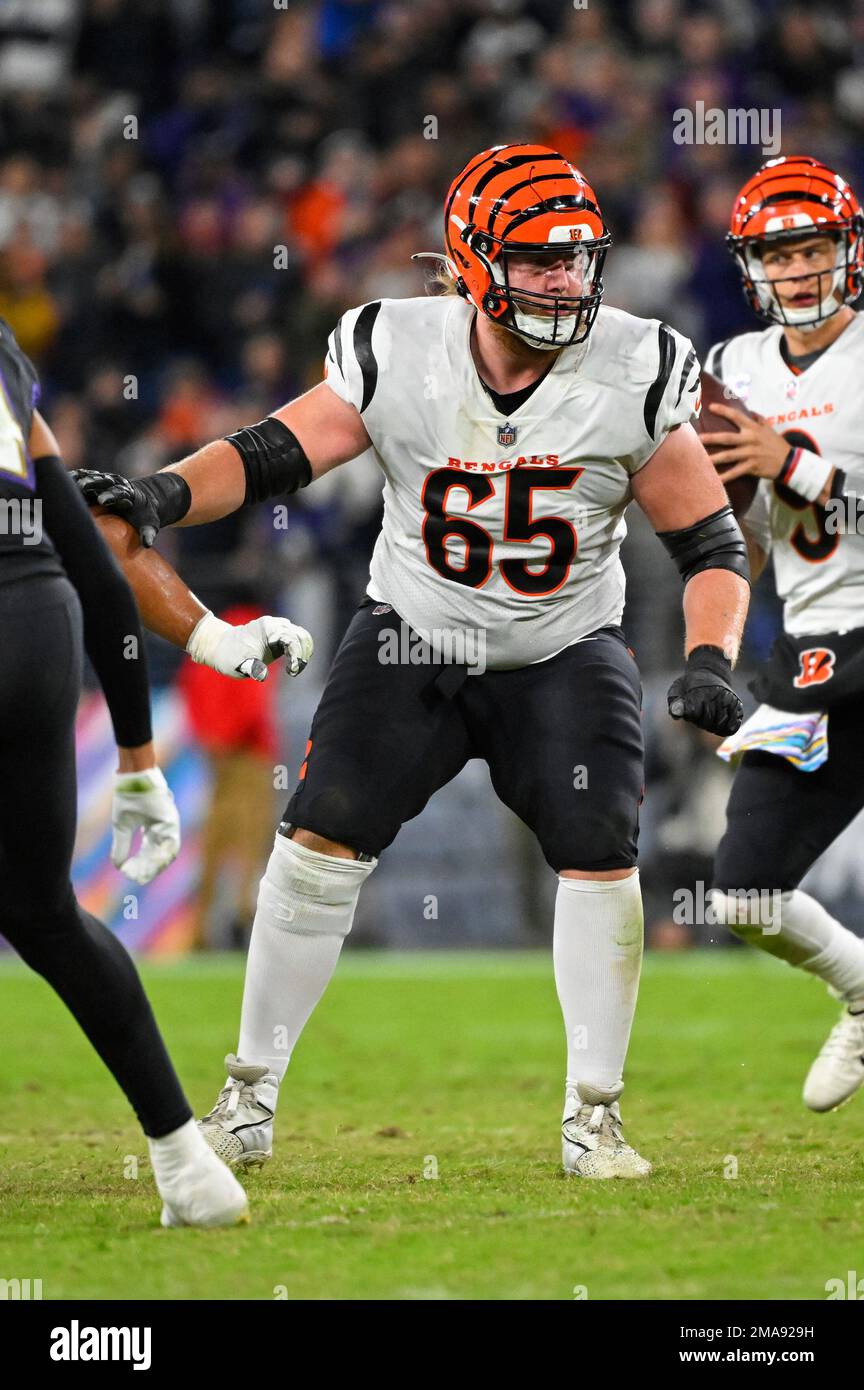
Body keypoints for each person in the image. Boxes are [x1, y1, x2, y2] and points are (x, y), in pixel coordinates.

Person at [75, 144, 750, 1178]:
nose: (565, 283)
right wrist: (162, 493)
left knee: (601, 847)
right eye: (537, 262)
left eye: (577, 260)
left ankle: (594, 1114)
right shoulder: (399, 344)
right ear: (475, 261)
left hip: (565, 646)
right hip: (415, 634)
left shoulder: (634, 361)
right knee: (317, 841)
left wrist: (711, 652)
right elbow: (274, 449)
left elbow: (708, 541)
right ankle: (248, 1095)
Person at [0, 315, 253, 1227]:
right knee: (42, 914)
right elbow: (100, 574)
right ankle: (189, 1165)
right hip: (38, 626)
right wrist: (139, 759)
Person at [700, 155, 864, 1112]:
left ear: (846, 252)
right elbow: (743, 534)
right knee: (746, 895)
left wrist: (793, 466)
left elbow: (792, 479)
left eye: (811, 249)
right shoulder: (733, 369)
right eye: (777, 254)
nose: (797, 272)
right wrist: (711, 640)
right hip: (814, 651)